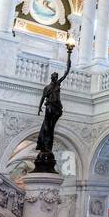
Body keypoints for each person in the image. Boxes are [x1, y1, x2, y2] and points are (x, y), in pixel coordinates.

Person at [35, 42, 74, 170]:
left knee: (51, 129)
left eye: (56, 76)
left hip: (57, 108)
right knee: (47, 128)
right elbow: (42, 97)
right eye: (54, 76)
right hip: (50, 107)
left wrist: (69, 55)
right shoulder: (47, 87)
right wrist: (39, 107)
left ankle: (47, 146)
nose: (56, 77)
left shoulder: (58, 84)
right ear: (51, 77)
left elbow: (67, 71)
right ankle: (45, 147)